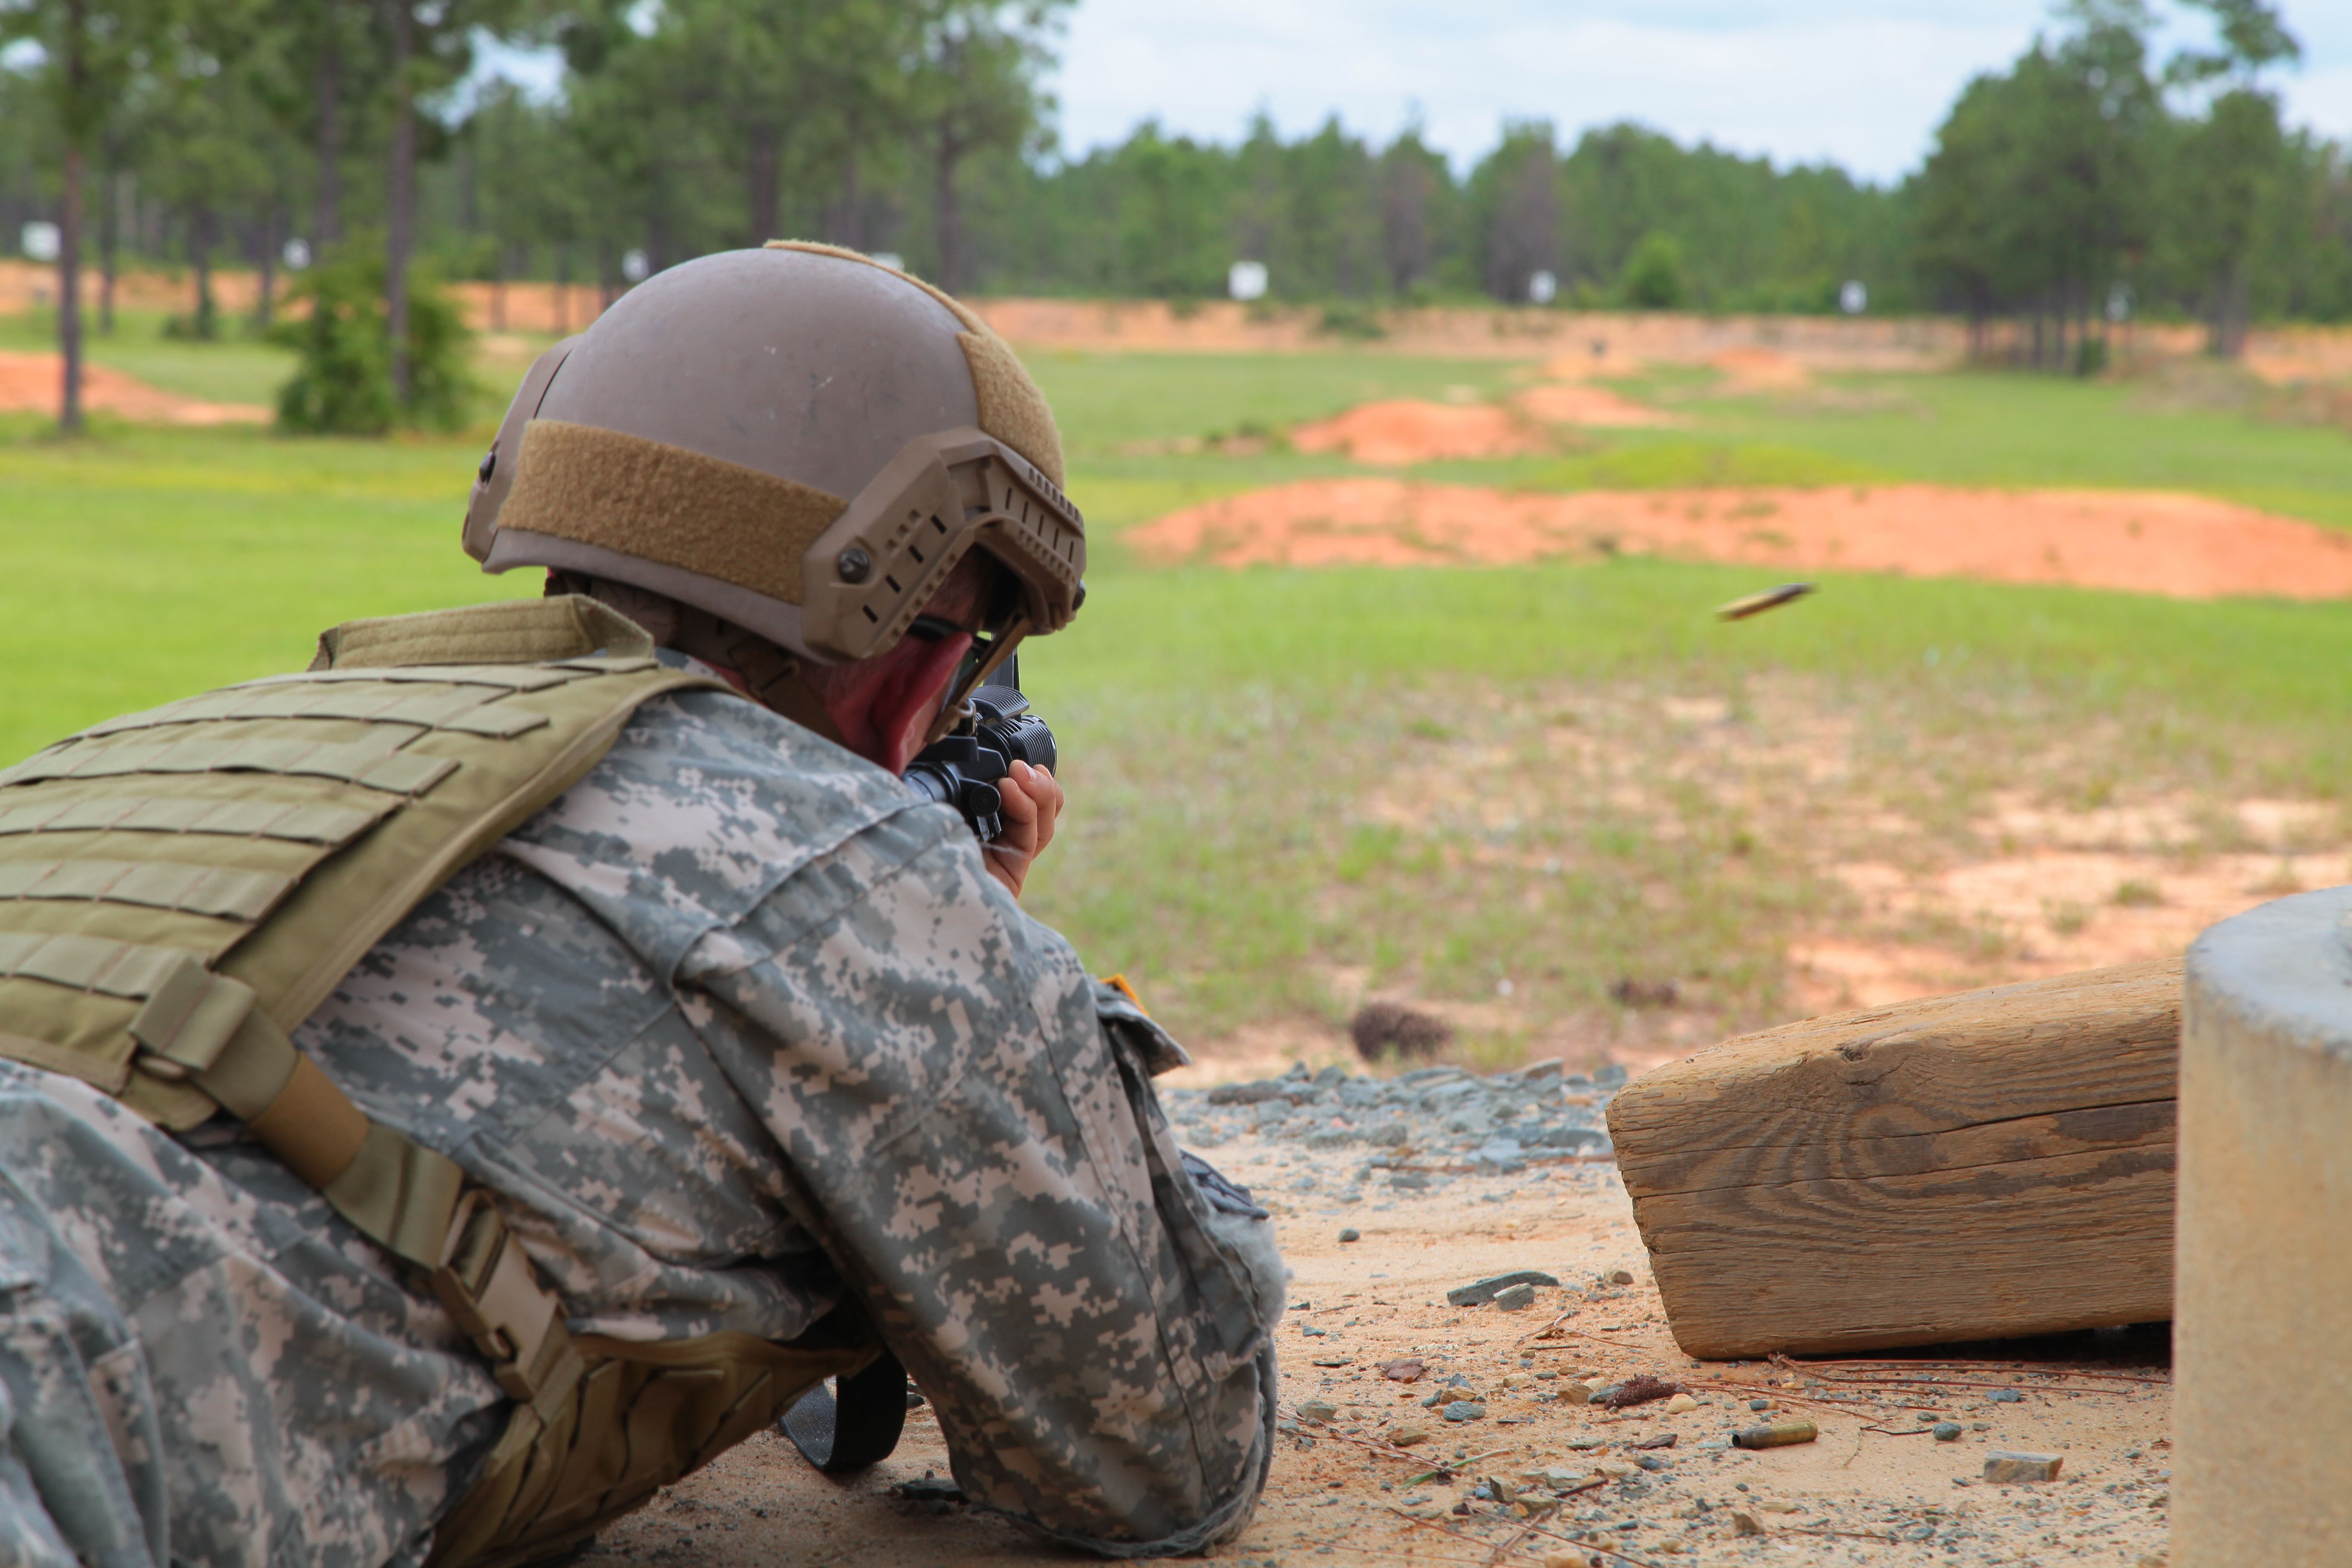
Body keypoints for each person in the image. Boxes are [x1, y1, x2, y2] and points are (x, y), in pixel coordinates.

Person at [0, 244, 1284, 1568]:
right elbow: (1168, 1445)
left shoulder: (198, 741)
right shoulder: (822, 858)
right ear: (917, 672)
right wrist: (989, 974)